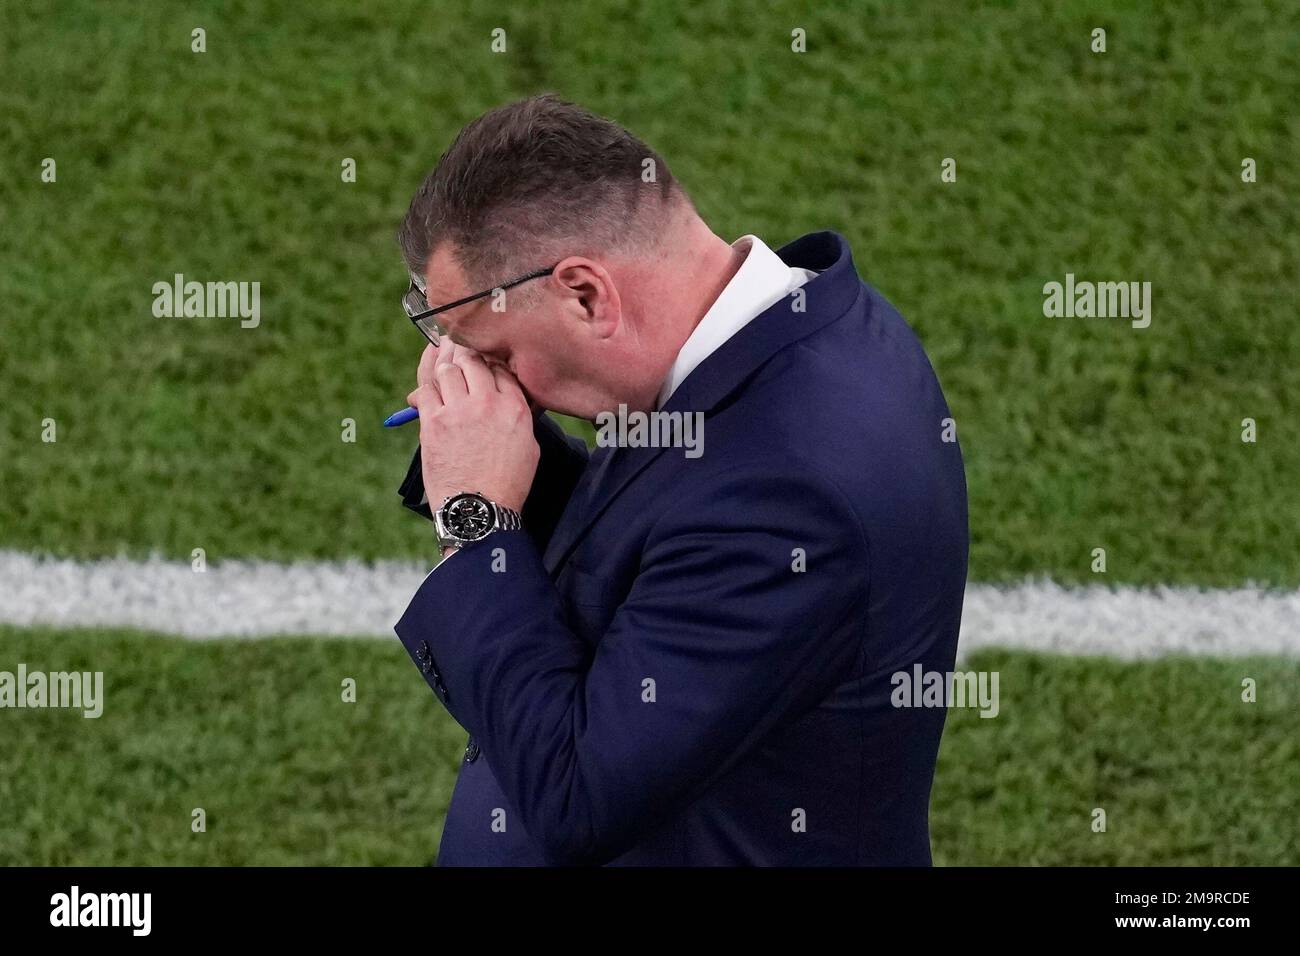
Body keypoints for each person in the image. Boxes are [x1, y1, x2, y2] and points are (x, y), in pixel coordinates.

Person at [392, 93, 968, 865]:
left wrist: (474, 517)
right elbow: (662, 538)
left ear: (587, 294)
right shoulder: (781, 335)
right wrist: (505, 452)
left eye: (493, 353)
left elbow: (577, 795)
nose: (482, 374)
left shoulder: (789, 504)